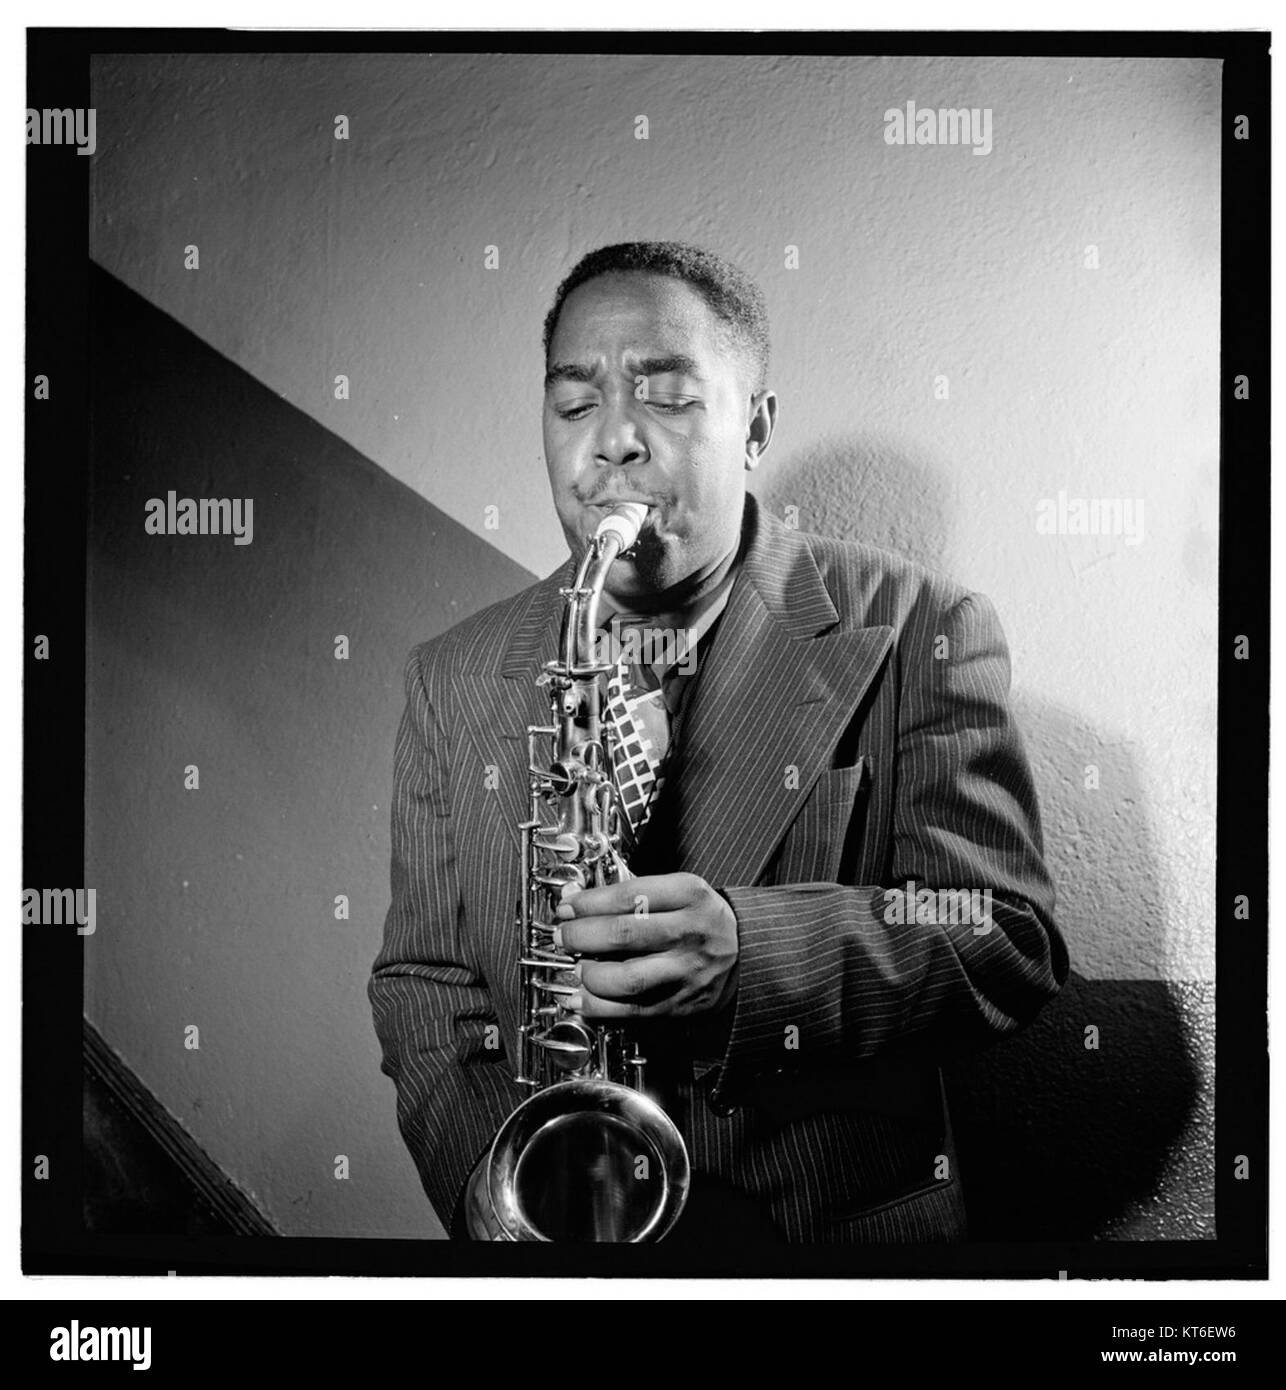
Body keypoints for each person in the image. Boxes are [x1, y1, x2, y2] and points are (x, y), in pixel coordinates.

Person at [369, 241, 1068, 1244]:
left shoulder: (924, 624)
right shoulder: (450, 674)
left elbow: (1006, 937)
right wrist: (504, 1198)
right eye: (572, 405)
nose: (609, 441)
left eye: (663, 396)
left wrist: (750, 954)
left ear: (753, 426)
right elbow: (423, 983)